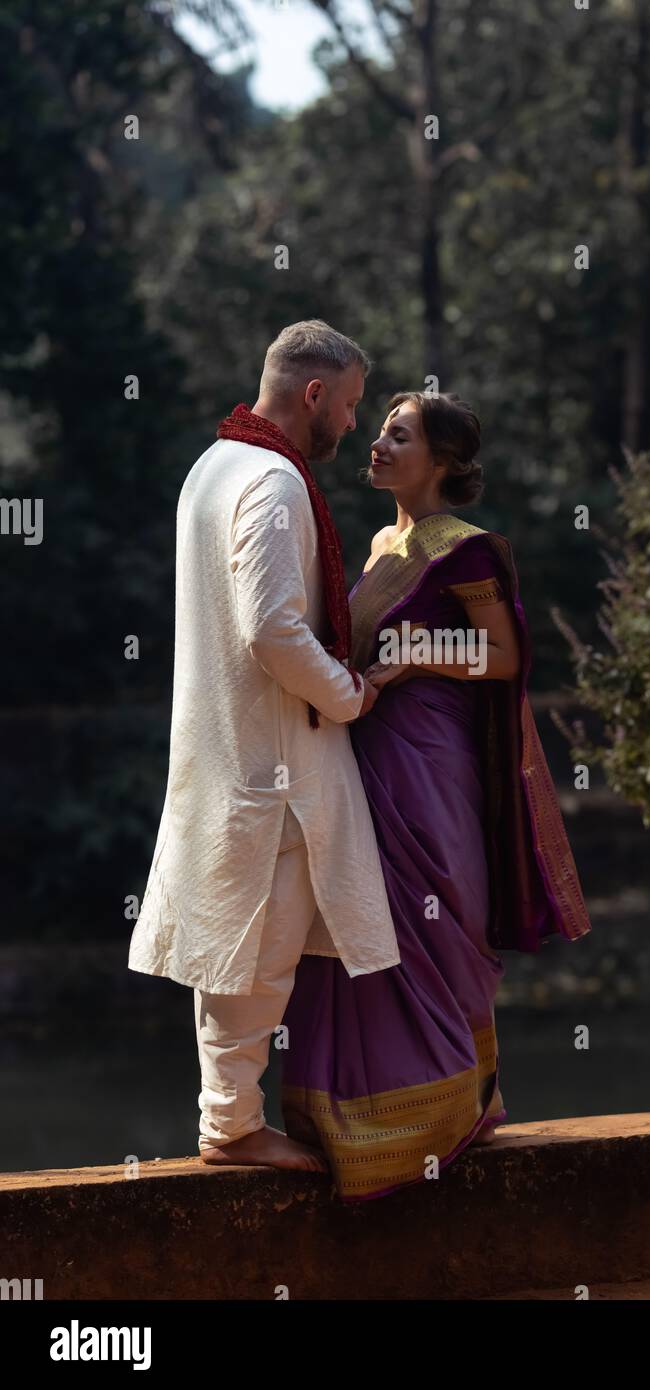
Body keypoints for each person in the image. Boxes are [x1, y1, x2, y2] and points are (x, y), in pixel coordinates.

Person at [279, 390, 592, 1200]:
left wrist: (412, 657)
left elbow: (504, 656)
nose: (377, 444)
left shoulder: (468, 549)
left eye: (399, 435)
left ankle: (447, 1109)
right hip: (365, 756)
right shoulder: (384, 545)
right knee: (360, 923)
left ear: (444, 461)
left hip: (430, 765)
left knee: (434, 918)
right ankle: (361, 1125)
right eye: (379, 430)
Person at [128, 320, 400, 1172]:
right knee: (257, 953)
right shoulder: (276, 484)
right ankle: (231, 1128)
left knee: (234, 946)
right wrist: (351, 692)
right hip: (270, 759)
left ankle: (228, 1120)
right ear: (313, 393)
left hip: (227, 748)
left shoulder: (213, 467)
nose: (354, 426)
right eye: (351, 406)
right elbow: (274, 633)